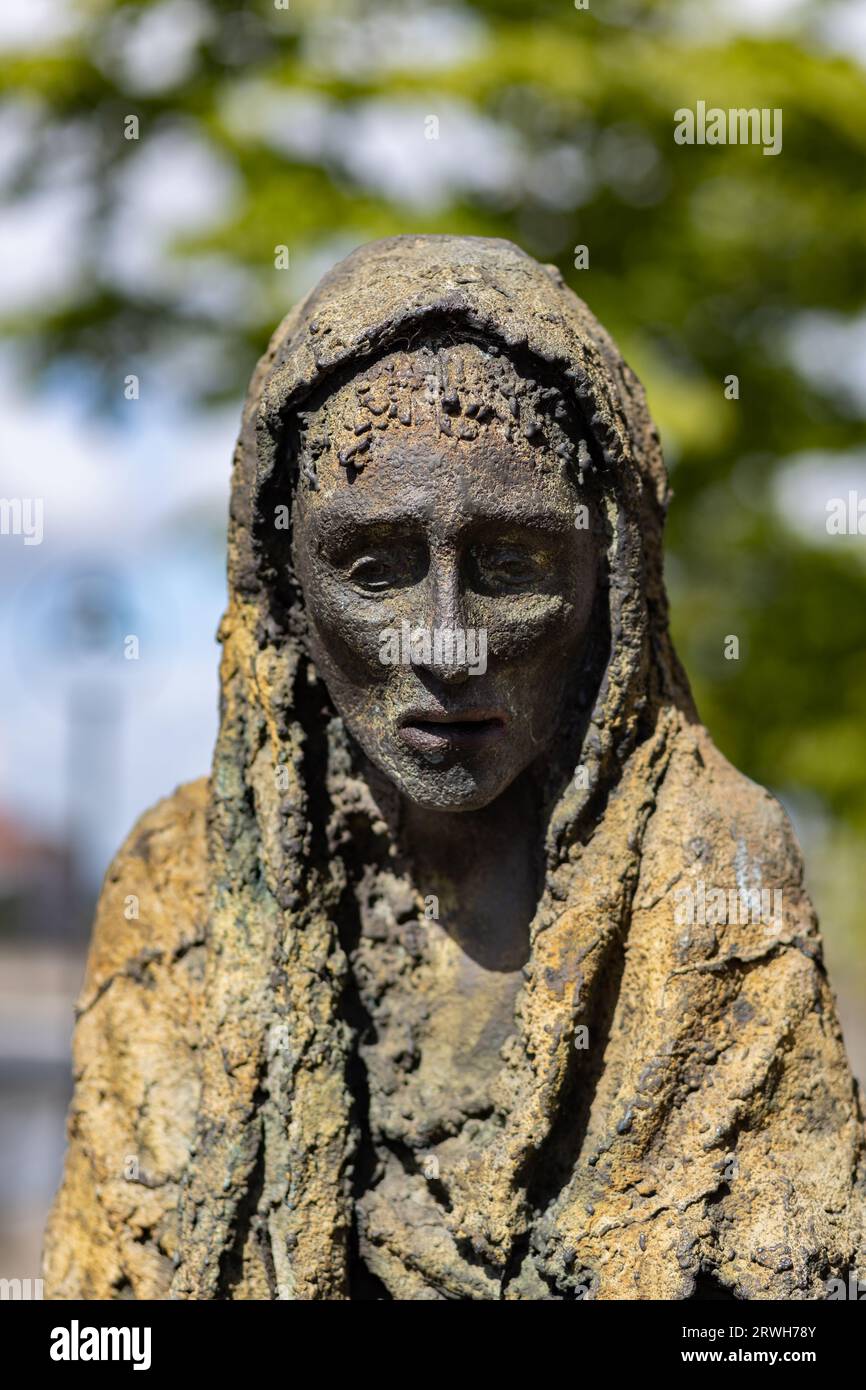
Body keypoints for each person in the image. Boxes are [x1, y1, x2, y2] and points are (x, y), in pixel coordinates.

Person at [44, 235, 866, 1300]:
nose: (446, 642)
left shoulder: (714, 875)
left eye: (511, 564)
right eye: (372, 568)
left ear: (610, 580)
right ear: (285, 593)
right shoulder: (180, 884)